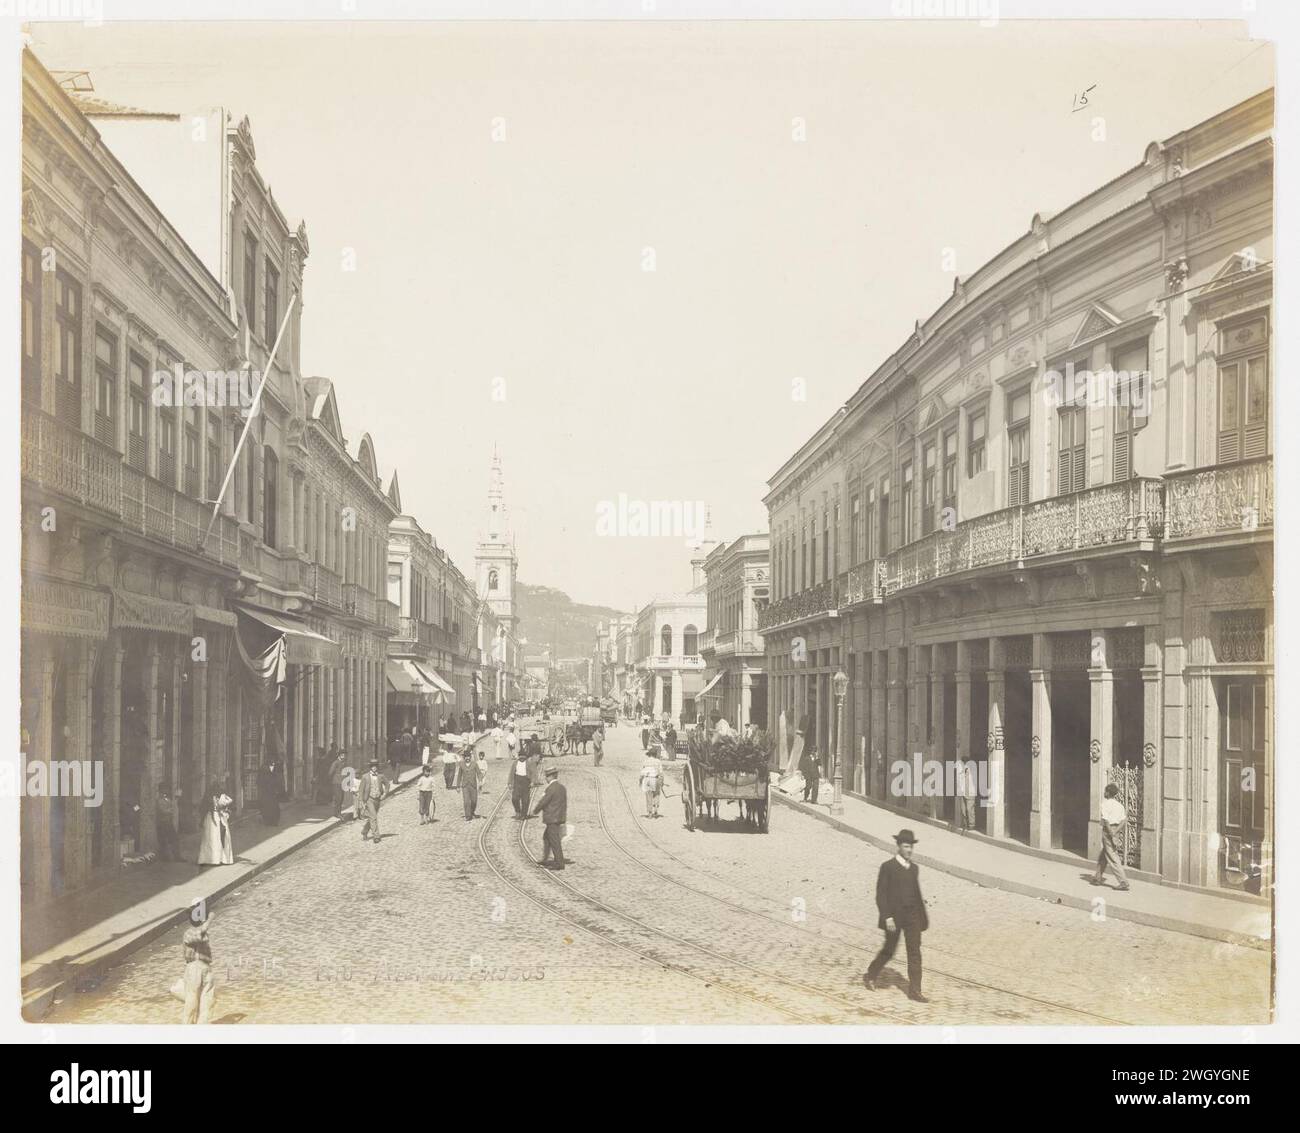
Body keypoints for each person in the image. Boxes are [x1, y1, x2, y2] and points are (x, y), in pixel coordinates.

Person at [864, 829, 929, 1003]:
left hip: (912, 917)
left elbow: (916, 893)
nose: (909, 850)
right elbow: (881, 895)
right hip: (894, 917)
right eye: (906, 846)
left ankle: (915, 990)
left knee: (915, 952)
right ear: (899, 846)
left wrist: (922, 919)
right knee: (889, 950)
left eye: (911, 847)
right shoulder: (888, 867)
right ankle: (870, 975)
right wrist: (887, 917)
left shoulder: (914, 868)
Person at [1091, 783, 1131, 891]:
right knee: (1104, 855)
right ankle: (1097, 878)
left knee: (1112, 857)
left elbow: (1106, 821)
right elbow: (1123, 821)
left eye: (1105, 791)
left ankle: (1123, 882)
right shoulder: (1120, 805)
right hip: (1116, 830)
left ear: (1108, 793)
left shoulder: (1105, 804)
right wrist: (1115, 832)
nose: (1104, 793)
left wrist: (1111, 833)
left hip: (1108, 832)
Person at [179, 911, 215, 1024]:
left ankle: (201, 1029)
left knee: (208, 1000)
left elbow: (202, 934)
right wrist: (209, 919)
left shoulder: (201, 933)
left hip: (206, 967)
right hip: (194, 966)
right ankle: (187, 1028)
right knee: (192, 1001)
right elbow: (200, 934)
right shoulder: (189, 933)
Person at [530, 765, 567, 869]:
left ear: (551, 776)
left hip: (551, 818)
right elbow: (563, 804)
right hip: (558, 817)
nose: (546, 778)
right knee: (546, 837)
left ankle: (559, 863)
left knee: (554, 840)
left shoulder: (550, 788)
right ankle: (545, 859)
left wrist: (535, 810)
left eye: (547, 776)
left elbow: (544, 801)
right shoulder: (561, 788)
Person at [197, 783, 234, 866]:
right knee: (218, 837)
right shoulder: (220, 797)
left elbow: (202, 809)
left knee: (212, 838)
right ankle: (220, 858)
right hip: (216, 817)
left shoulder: (210, 798)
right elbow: (229, 801)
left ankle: (211, 858)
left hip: (212, 818)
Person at [358, 759, 386, 844]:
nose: (374, 768)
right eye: (373, 766)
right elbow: (361, 790)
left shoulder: (381, 776)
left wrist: (385, 794)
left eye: (376, 766)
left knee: (371, 817)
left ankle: (364, 831)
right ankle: (376, 836)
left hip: (377, 799)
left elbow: (387, 784)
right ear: (370, 767)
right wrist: (361, 801)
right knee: (373, 817)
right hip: (369, 799)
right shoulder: (365, 777)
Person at [954, 753, 978, 835]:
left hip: (970, 792)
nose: (964, 763)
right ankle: (965, 824)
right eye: (963, 762)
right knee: (963, 810)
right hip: (963, 792)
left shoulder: (972, 770)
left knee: (969, 809)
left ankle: (972, 825)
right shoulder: (962, 771)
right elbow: (960, 780)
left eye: (965, 762)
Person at [156, 783, 180, 861]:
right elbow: (163, 811)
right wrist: (171, 810)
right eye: (164, 789)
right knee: (164, 841)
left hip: (168, 822)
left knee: (173, 839)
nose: (166, 791)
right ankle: (166, 857)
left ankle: (176, 856)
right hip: (162, 823)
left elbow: (171, 807)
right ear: (161, 790)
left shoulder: (167, 799)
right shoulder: (159, 800)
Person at [454, 749, 480, 820]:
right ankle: (468, 816)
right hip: (465, 786)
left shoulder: (474, 764)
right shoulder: (461, 765)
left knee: (474, 801)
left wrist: (480, 782)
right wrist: (458, 786)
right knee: (466, 801)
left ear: (470, 757)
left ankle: (472, 811)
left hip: (473, 785)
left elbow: (479, 773)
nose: (467, 758)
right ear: (464, 757)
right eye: (466, 757)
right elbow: (459, 775)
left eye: (468, 756)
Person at [259, 760, 285, 826]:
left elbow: (279, 781)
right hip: (267, 793)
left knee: (272, 808)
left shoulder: (275, 772)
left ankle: (272, 821)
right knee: (268, 808)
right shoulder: (264, 772)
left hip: (271, 793)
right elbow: (259, 782)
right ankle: (270, 821)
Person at [639, 749, 663, 818]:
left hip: (647, 779)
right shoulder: (658, 761)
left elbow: (642, 773)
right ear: (655, 755)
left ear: (649, 754)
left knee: (648, 795)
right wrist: (662, 781)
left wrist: (640, 781)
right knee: (656, 794)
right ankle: (655, 808)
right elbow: (661, 773)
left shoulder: (645, 761)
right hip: (655, 778)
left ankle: (650, 812)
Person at [511, 744, 533, 819]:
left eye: (523, 757)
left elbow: (532, 772)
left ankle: (524, 814)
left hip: (525, 781)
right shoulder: (515, 763)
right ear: (519, 756)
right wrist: (510, 783)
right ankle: (518, 811)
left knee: (525, 800)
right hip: (517, 780)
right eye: (521, 757)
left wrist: (532, 781)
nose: (522, 759)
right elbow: (511, 773)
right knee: (514, 798)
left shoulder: (528, 763)